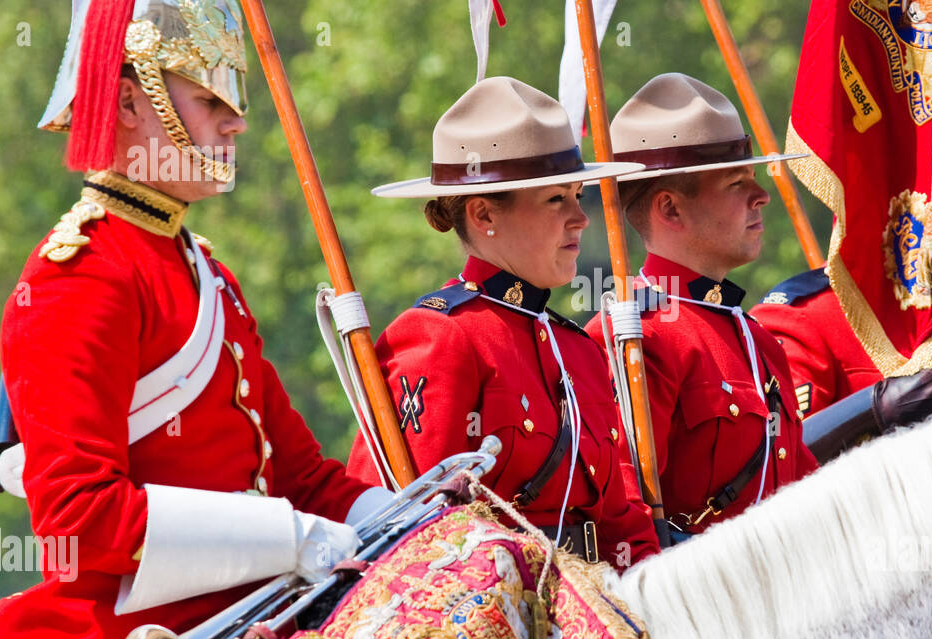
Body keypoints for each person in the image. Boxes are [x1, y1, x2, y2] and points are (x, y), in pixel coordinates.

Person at [0, 0, 386, 639]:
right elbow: (80, 521)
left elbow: (301, 477)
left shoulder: (206, 271)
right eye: (210, 99)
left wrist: (404, 518)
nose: (236, 123)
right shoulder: (80, 276)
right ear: (130, 104)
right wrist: (292, 538)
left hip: (254, 625)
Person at [345, 76, 660, 566]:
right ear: (483, 214)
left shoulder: (576, 349)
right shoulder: (441, 334)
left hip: (599, 608)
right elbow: (418, 525)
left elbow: (620, 518)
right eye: (557, 199)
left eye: (578, 196)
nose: (581, 218)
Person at [583, 74, 815, 534]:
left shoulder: (754, 336)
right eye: (736, 183)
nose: (761, 195)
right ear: (670, 210)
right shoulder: (638, 333)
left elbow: (801, 486)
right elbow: (625, 515)